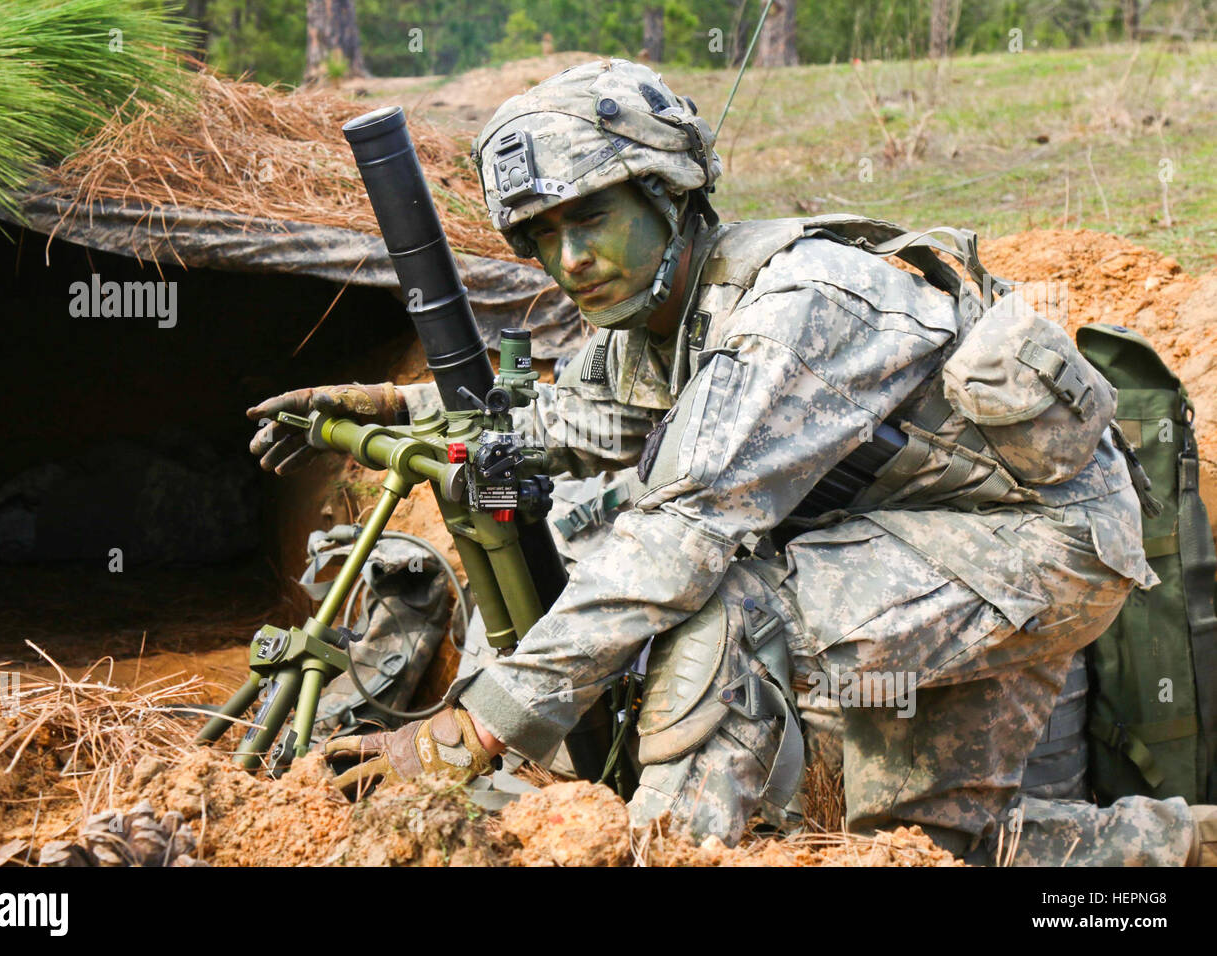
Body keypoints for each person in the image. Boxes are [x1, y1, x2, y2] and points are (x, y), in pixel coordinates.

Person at [248, 59, 1214, 865]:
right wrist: (396, 404)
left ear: (669, 194)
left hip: (1036, 550)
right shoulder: (652, 323)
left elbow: (681, 537)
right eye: (542, 236)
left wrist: (473, 729)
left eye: (591, 216)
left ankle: (670, 848)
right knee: (936, 849)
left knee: (724, 610)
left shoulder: (796, 309)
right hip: (935, 543)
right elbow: (574, 420)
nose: (570, 257)